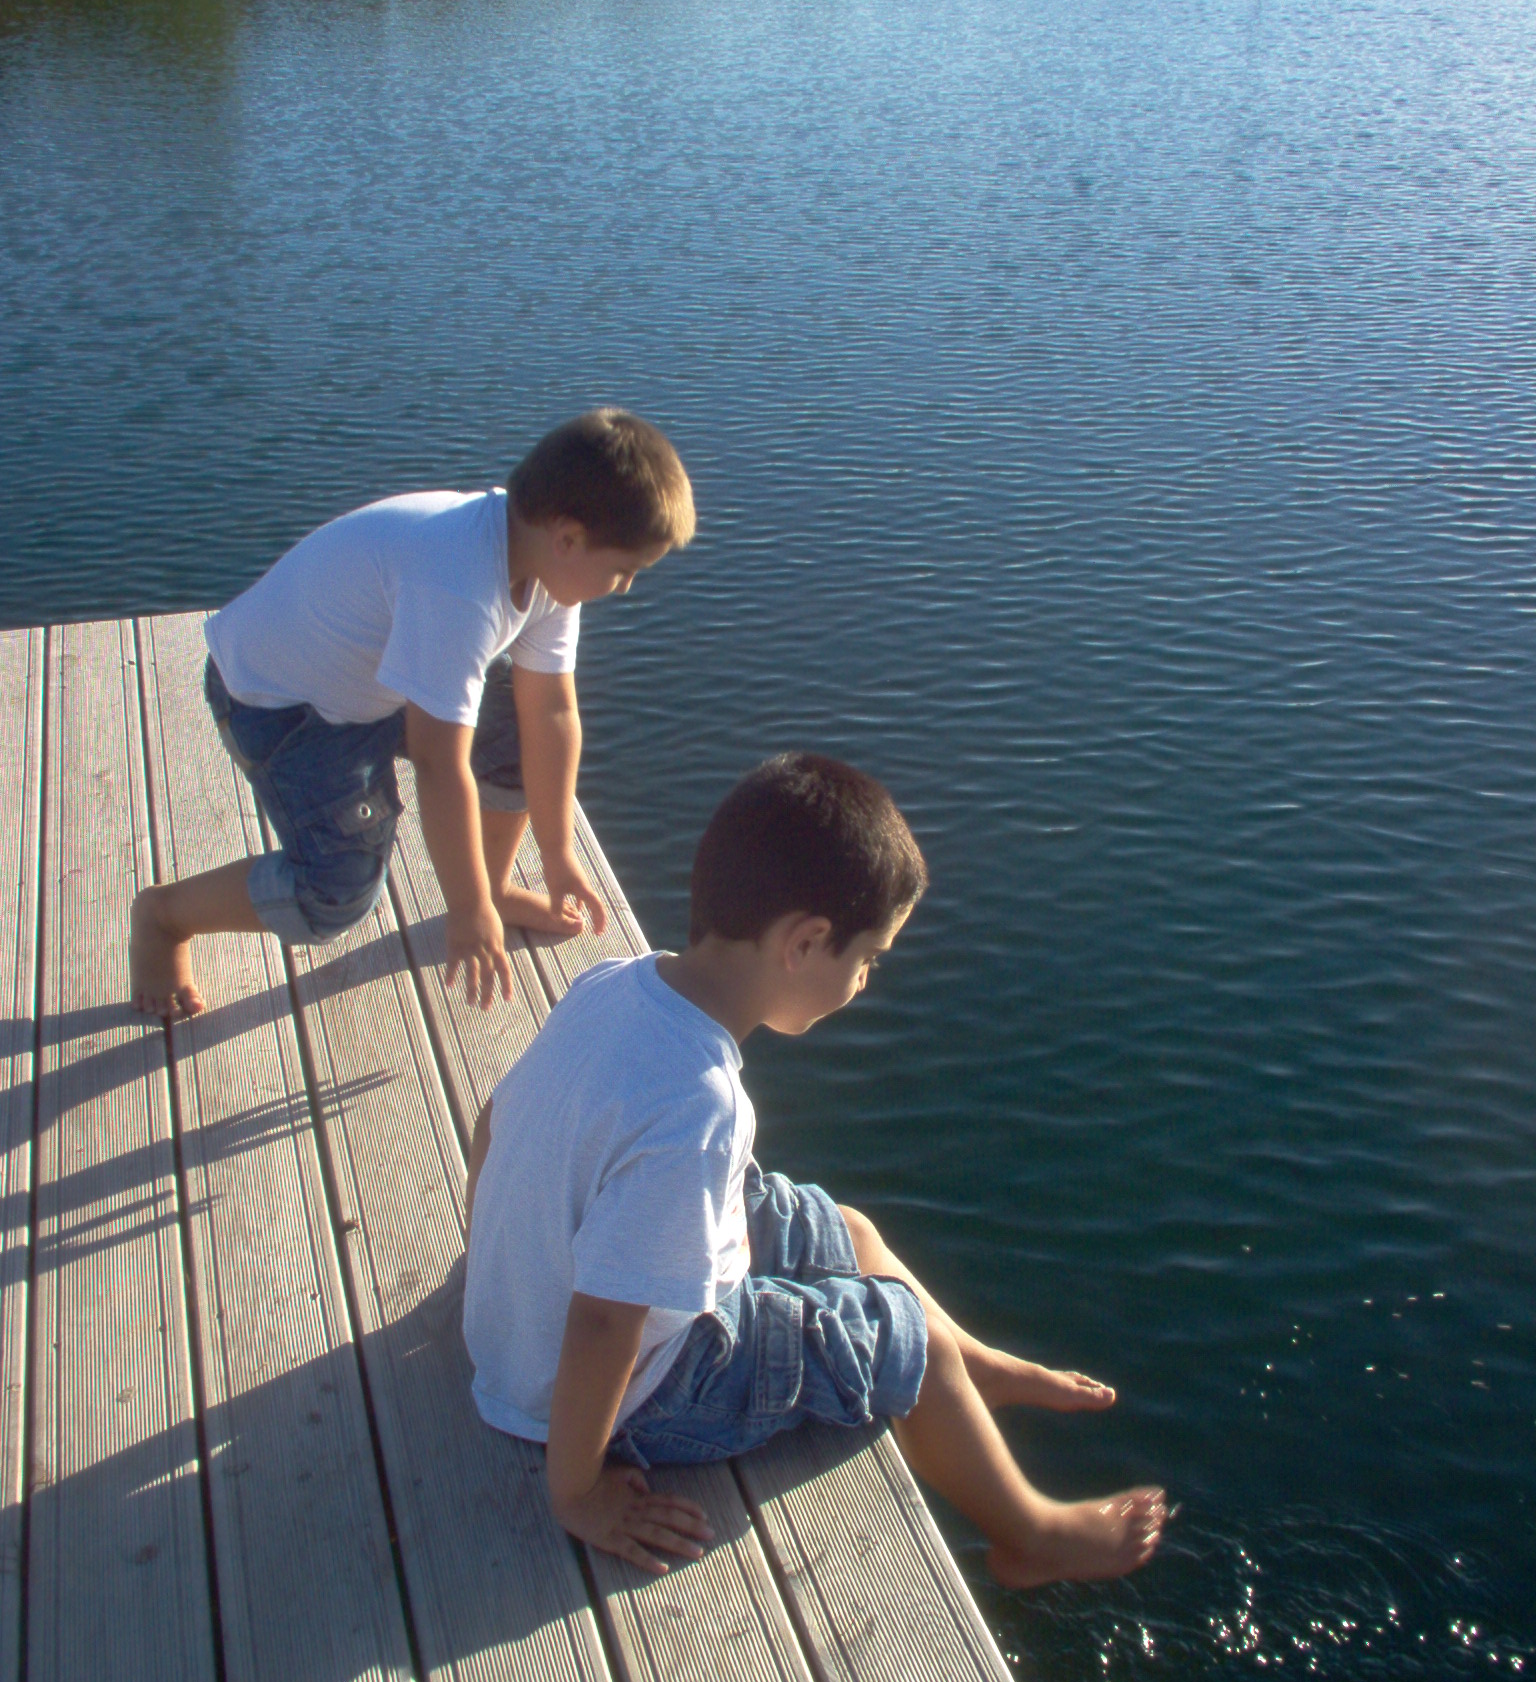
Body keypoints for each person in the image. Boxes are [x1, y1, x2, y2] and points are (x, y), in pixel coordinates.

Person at [463, 751, 1168, 1585]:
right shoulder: (699, 1107)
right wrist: (578, 1493)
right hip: (629, 1394)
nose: (866, 982)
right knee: (905, 1340)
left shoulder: (613, 983)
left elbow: (490, 1127)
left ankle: (974, 1367)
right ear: (804, 944)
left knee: (850, 1232)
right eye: (868, 959)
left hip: (521, 1339)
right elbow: (604, 1325)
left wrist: (508, 1268)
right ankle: (1033, 1534)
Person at [129, 408, 694, 1020]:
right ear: (569, 538)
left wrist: (557, 855)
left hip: (370, 682)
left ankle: (496, 884)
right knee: (337, 891)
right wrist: (465, 908)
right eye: (624, 570)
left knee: (514, 727)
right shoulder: (457, 585)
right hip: (282, 706)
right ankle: (165, 916)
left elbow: (552, 711)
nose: (626, 586)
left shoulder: (545, 563)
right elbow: (438, 763)